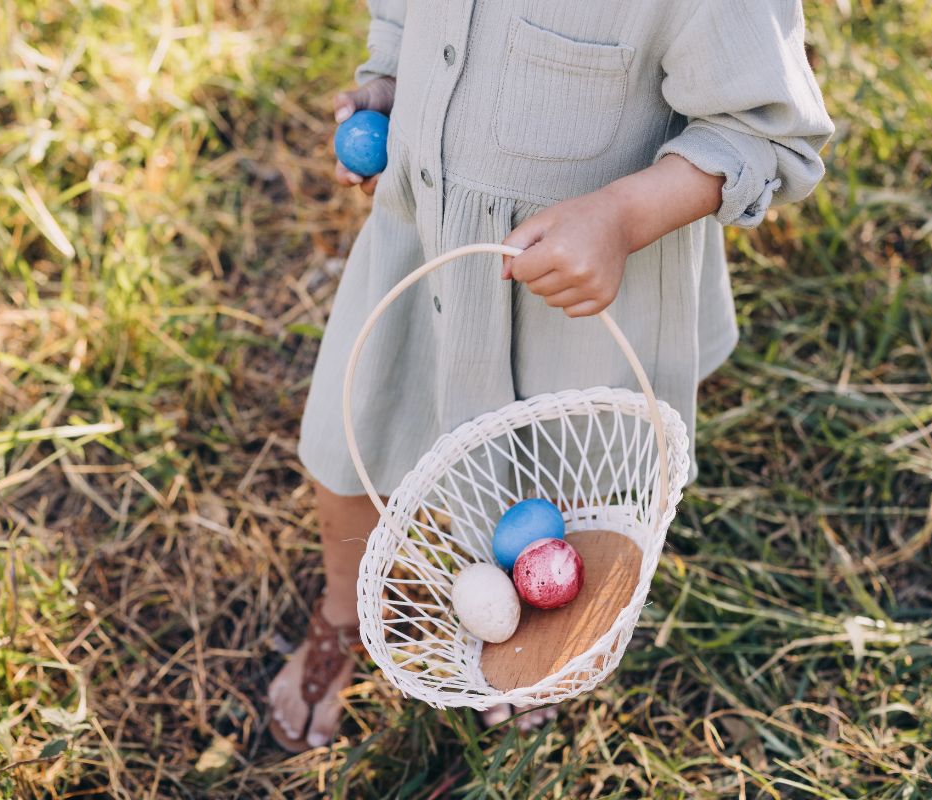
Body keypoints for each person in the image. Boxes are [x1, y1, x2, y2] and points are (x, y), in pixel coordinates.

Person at [268, 0, 833, 751]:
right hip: (425, 248)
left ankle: (532, 648)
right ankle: (345, 614)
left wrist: (624, 217)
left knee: (556, 509)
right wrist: (388, 85)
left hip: (579, 301)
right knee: (350, 448)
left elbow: (768, 132)